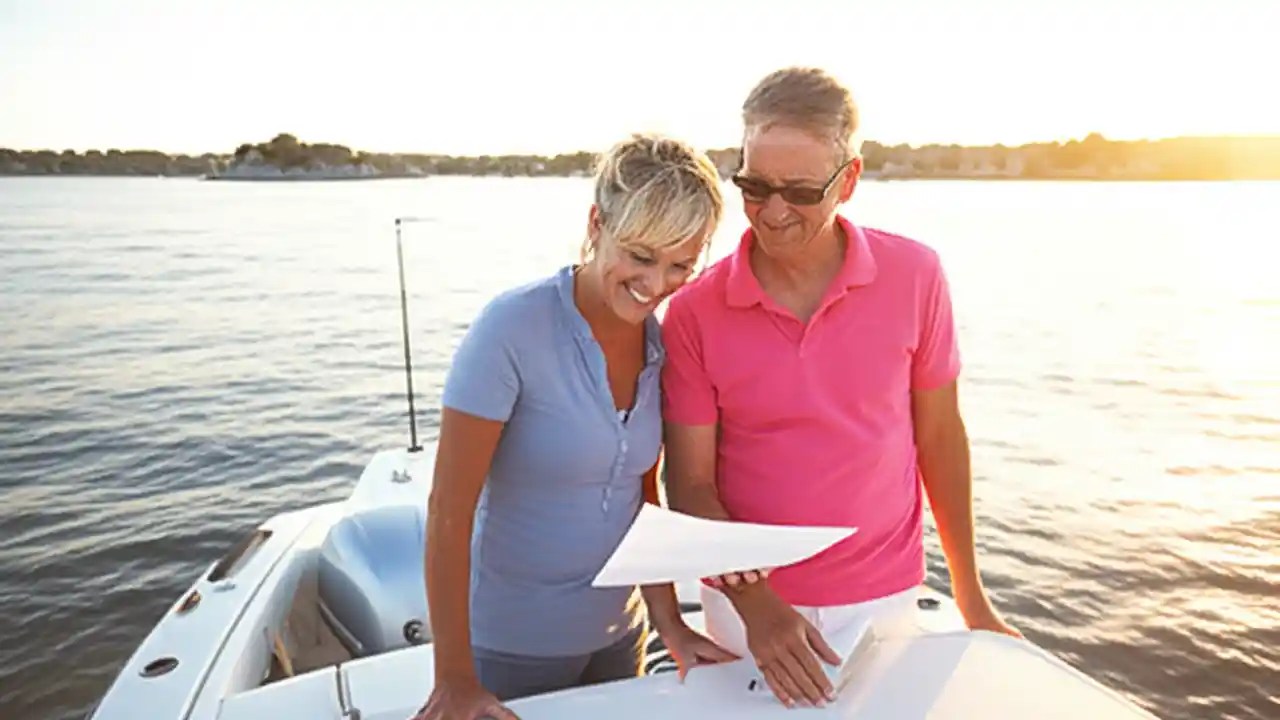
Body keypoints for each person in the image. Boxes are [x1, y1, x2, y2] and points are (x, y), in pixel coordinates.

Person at [660, 67, 1022, 710]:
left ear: (848, 181)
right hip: (744, 608)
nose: (772, 212)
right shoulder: (693, 310)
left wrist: (971, 597)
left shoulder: (916, 275)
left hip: (884, 598)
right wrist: (757, 604)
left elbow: (940, 439)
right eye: (754, 186)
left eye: (798, 191)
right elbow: (690, 485)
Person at [411, 133, 738, 720]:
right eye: (640, 256)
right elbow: (448, 513)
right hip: (509, 651)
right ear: (596, 223)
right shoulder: (510, 330)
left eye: (680, 265)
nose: (656, 285)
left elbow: (643, 499)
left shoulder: (663, 345)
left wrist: (669, 624)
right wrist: (454, 678)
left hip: (619, 640)